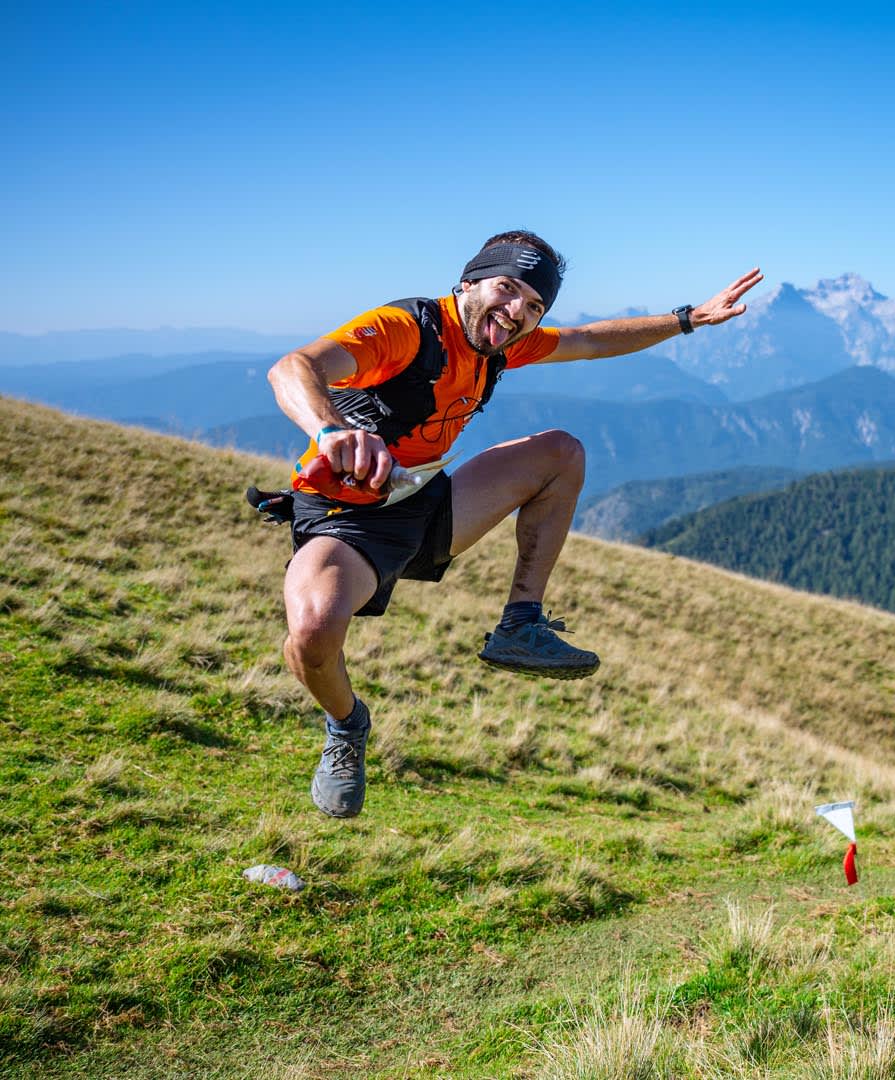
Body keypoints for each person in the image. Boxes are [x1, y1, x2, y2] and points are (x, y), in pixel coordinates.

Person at [265, 229, 762, 818]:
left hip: (426, 499)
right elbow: (292, 368)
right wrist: (329, 430)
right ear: (470, 281)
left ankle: (520, 624)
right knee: (315, 633)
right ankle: (347, 726)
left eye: (534, 306)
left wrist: (689, 319)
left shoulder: (499, 343)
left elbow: (588, 341)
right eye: (507, 289)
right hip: (348, 515)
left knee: (561, 453)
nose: (516, 312)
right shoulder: (408, 328)